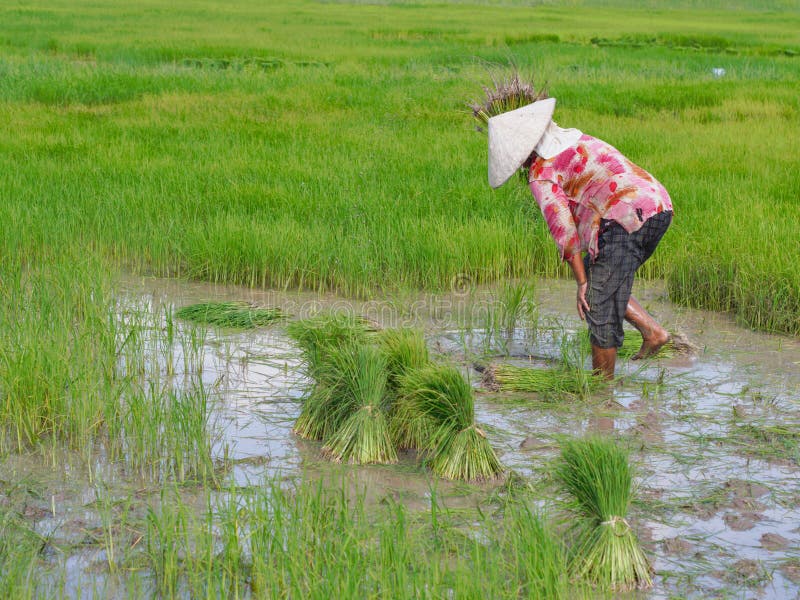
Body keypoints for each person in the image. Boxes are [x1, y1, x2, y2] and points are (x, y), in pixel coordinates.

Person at [486, 97, 673, 380]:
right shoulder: (575, 138)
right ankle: (652, 332)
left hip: (625, 219)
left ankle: (601, 395)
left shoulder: (541, 172)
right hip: (659, 207)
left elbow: (564, 230)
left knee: (597, 303)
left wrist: (581, 282)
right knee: (605, 279)